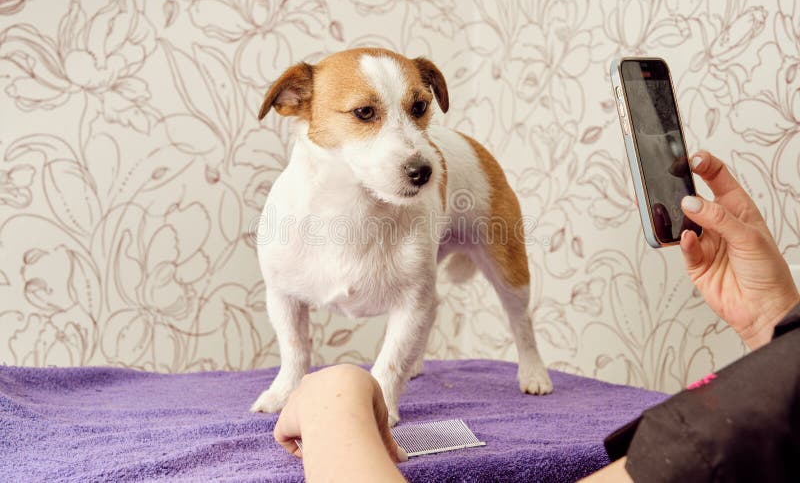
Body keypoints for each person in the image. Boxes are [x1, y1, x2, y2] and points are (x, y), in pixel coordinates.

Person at [272, 151, 800, 482]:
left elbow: (417, 295)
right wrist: (773, 318)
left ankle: (529, 349)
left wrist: (333, 404)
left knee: (501, 282)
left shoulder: (724, 437)